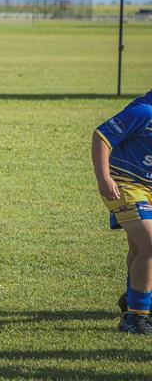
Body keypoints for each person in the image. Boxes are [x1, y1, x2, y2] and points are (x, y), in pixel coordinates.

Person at [92, 90, 152, 335]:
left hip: (148, 187)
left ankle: (135, 296)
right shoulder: (144, 111)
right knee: (150, 245)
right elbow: (101, 136)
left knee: (140, 248)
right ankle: (135, 317)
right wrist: (104, 177)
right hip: (126, 185)